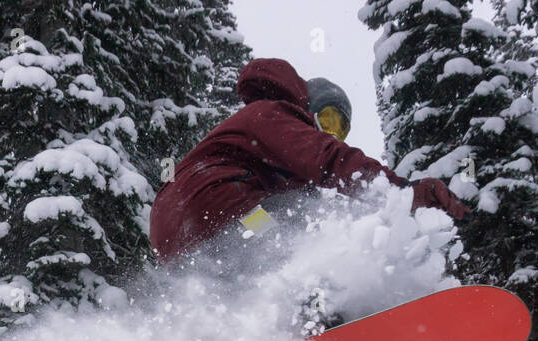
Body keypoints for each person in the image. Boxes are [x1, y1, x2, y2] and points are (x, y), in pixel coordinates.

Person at [149, 58, 470, 265]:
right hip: (222, 205)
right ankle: (319, 304)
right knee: (303, 223)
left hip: (182, 240)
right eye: (328, 120)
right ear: (306, 106)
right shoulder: (272, 113)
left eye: (339, 129)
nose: (330, 134)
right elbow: (330, 160)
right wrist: (405, 193)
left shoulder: (268, 150)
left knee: (251, 266)